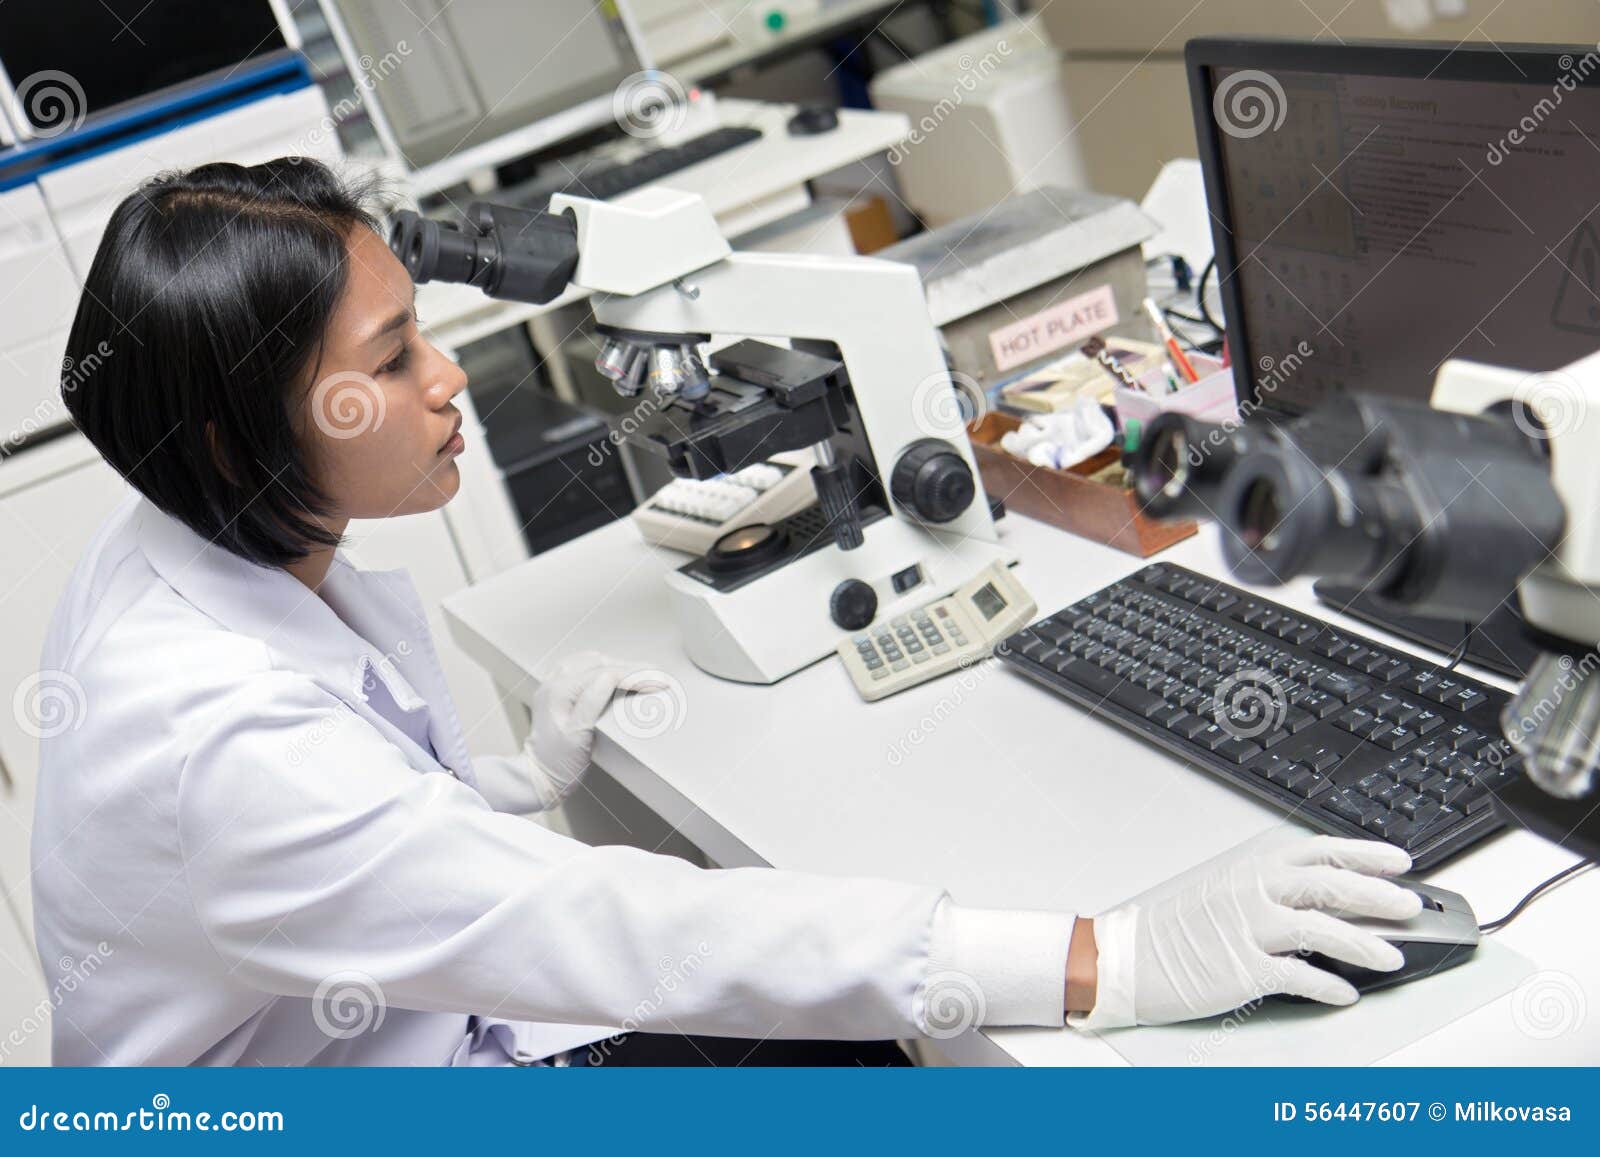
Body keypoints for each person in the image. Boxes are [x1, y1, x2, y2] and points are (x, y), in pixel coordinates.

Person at [30, 159, 1422, 1066]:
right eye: (393, 360)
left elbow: (343, 866)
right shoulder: (213, 742)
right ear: (233, 441)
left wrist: (501, 790)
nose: (450, 378)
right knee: (953, 1058)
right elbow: (617, 925)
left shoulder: (174, 523)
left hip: (388, 1038)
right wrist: (1107, 957)